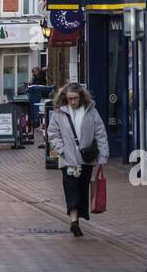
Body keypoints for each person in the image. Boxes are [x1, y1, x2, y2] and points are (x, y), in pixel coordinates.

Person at [46, 83, 109, 237]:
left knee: (81, 189)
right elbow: (52, 133)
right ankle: (74, 221)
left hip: (86, 159)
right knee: (71, 188)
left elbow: (100, 133)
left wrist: (103, 155)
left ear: (81, 97)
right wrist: (61, 150)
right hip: (68, 160)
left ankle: (78, 219)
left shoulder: (91, 111)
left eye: (75, 98)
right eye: (69, 99)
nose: (72, 102)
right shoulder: (59, 113)